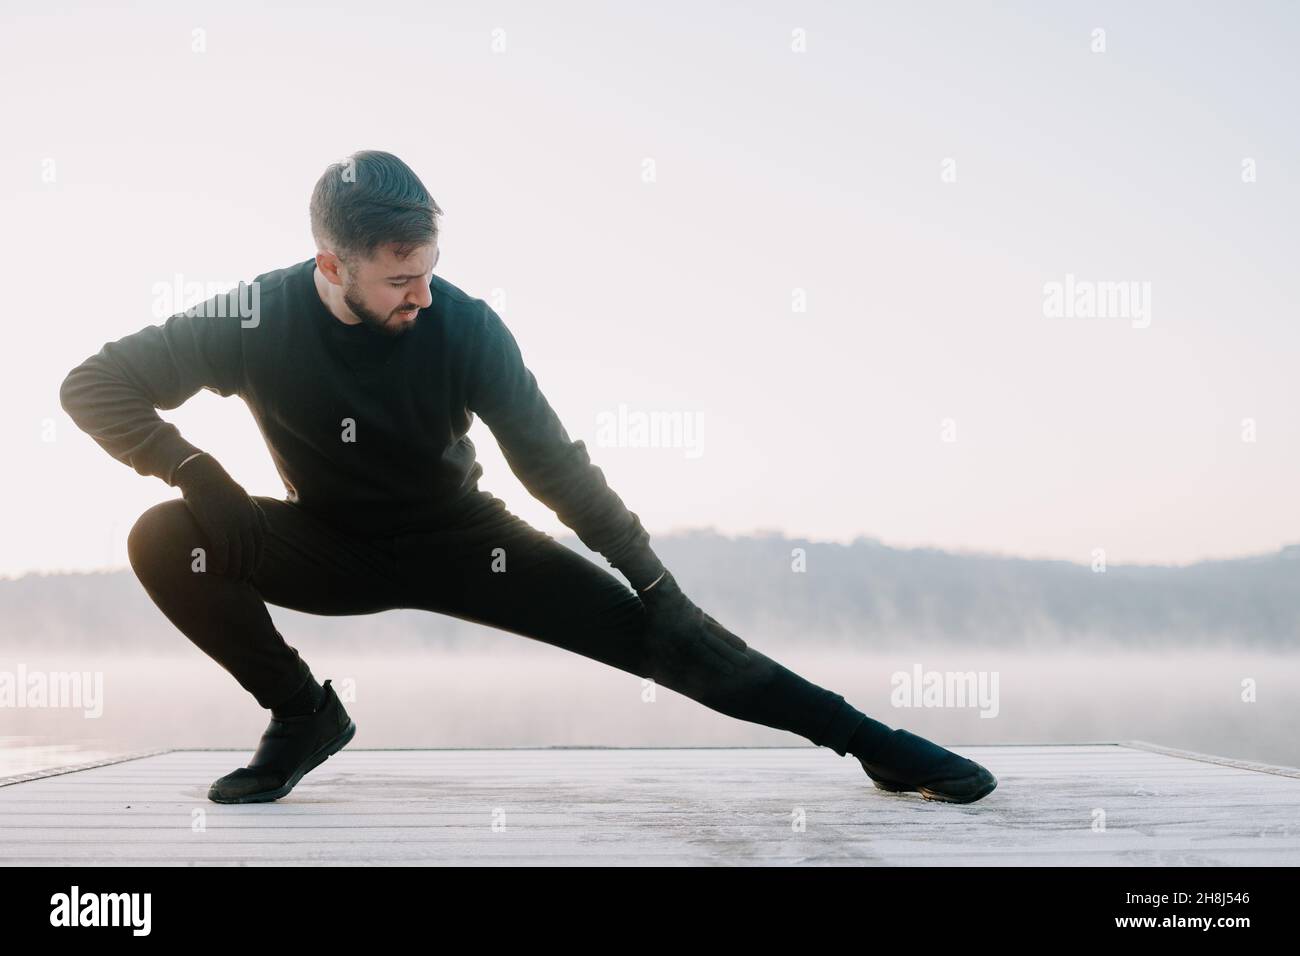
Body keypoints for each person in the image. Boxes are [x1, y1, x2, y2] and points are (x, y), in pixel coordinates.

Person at [59, 150, 996, 806]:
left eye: (428, 272)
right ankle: (303, 717)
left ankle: (874, 746)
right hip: (328, 548)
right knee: (163, 536)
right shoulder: (253, 313)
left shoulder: (463, 326)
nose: (419, 297)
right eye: (397, 282)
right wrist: (189, 467)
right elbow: (91, 385)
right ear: (330, 264)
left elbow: (553, 463)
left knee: (672, 639)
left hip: (468, 544)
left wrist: (654, 580)